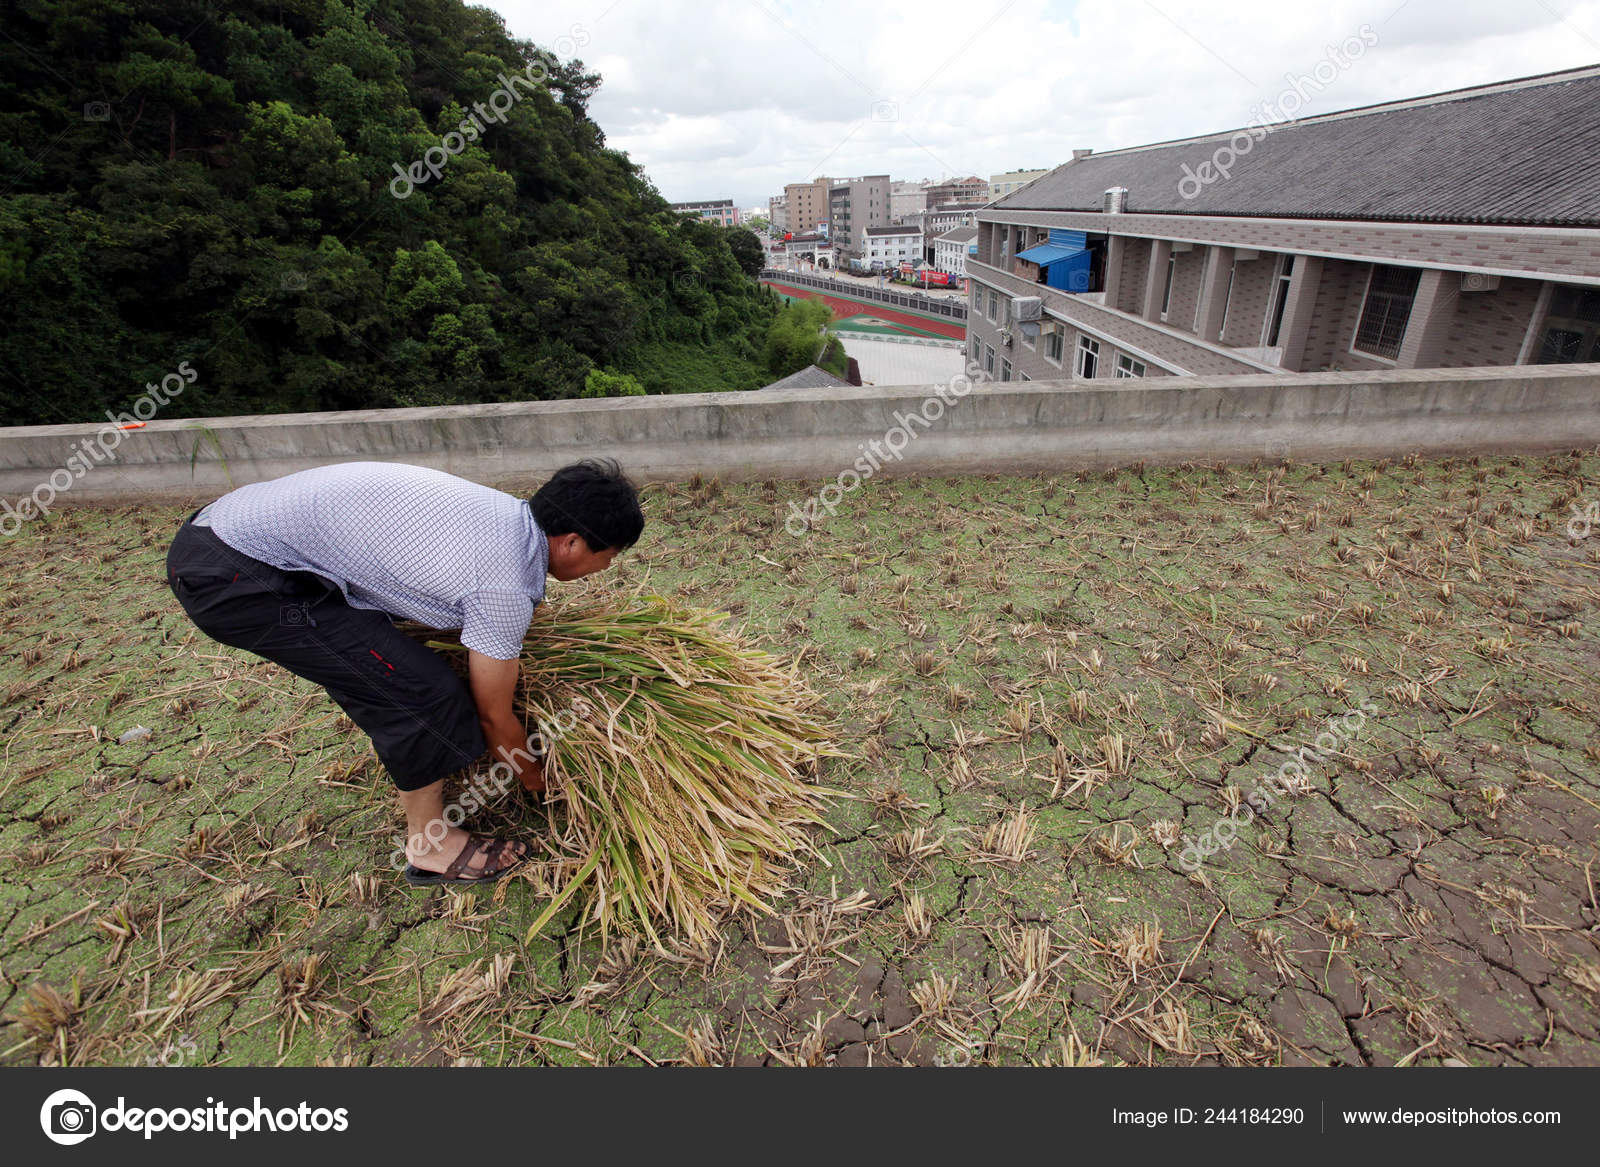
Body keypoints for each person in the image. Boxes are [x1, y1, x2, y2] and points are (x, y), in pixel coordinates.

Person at [165, 459, 644, 886]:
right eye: (611, 555)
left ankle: (417, 762)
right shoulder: (505, 582)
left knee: (385, 661)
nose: (607, 566)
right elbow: (494, 716)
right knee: (422, 693)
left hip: (224, 529)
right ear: (573, 542)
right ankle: (429, 846)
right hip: (238, 577)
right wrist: (539, 784)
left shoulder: (504, 515)